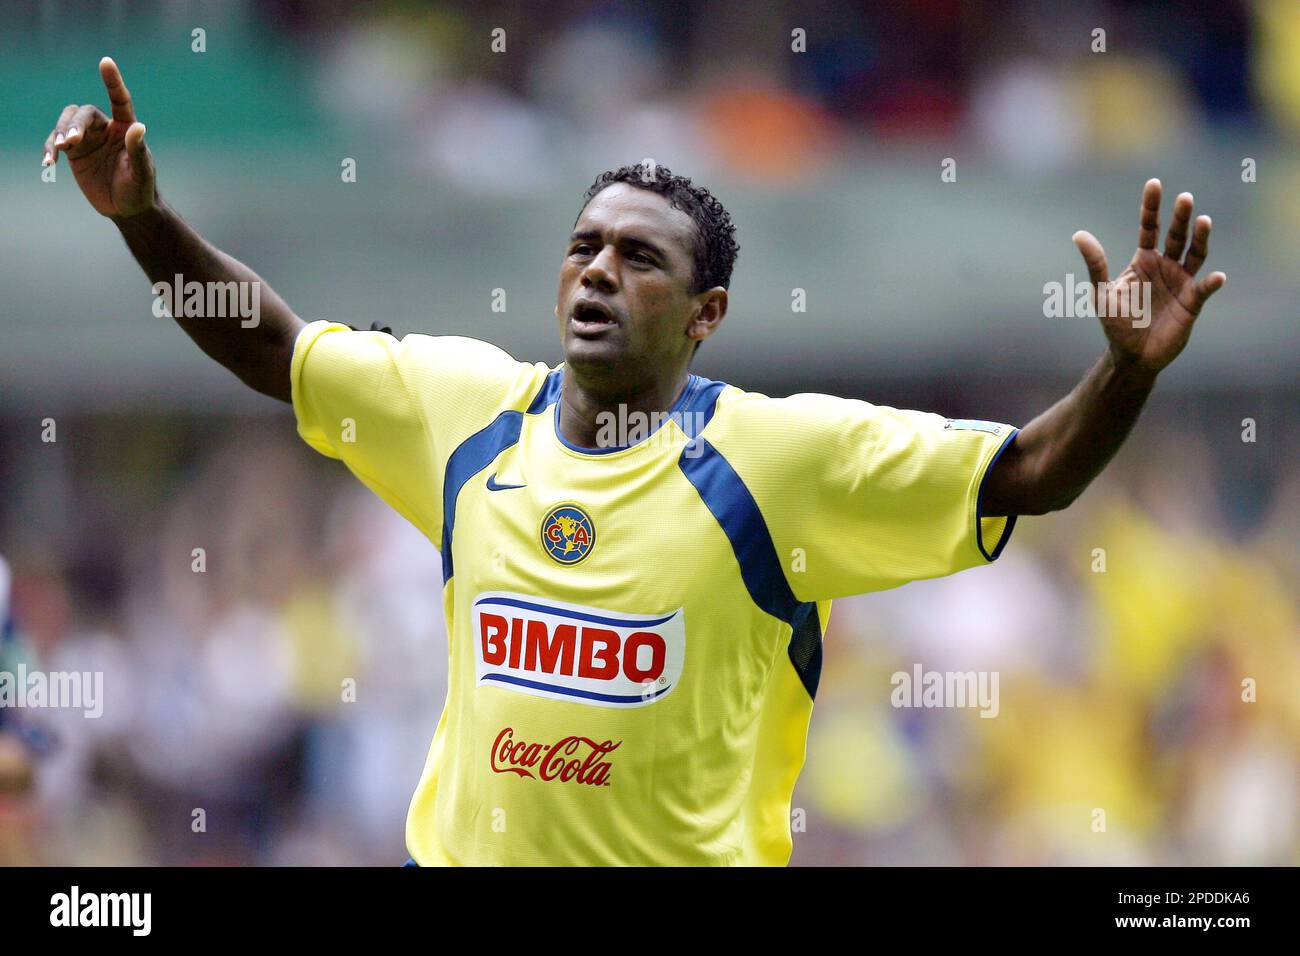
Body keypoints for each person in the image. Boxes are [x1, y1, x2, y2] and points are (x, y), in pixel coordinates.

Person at [43, 57, 1227, 865]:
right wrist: (142, 219)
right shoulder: (461, 412)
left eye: (639, 257)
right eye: (583, 247)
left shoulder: (779, 459)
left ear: (705, 312)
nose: (599, 269)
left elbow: (1025, 474)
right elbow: (276, 348)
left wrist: (1126, 367)